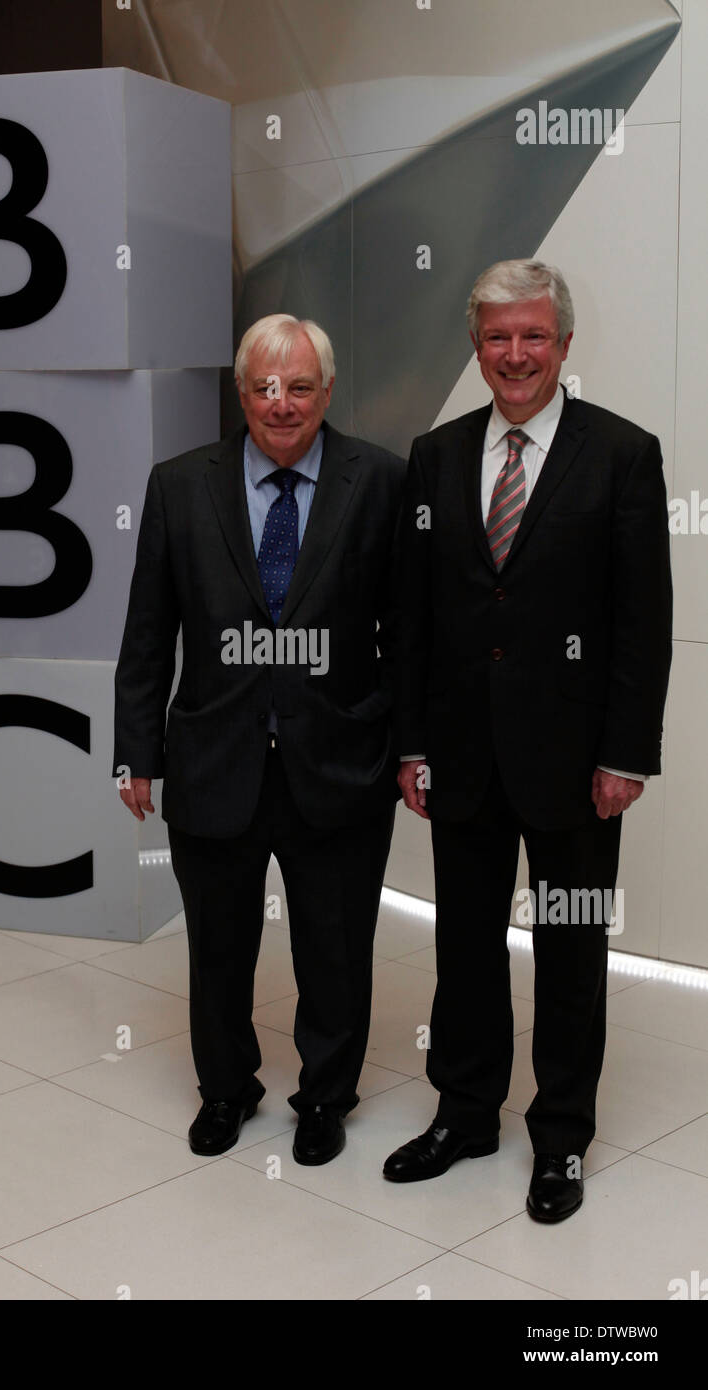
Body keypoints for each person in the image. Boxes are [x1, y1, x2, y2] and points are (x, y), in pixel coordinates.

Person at [386, 260, 672, 1221]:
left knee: (572, 948)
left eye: (533, 336)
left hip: (578, 767)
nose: (516, 354)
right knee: (463, 948)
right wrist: (411, 742)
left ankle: (561, 1140)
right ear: (476, 346)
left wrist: (626, 755)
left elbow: (643, 623)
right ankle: (465, 1114)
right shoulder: (434, 457)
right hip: (460, 758)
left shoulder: (624, 456)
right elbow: (413, 617)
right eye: (498, 337)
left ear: (563, 345)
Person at [113, 314, 405, 1164]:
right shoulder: (178, 485)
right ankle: (226, 1089)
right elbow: (146, 632)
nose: (283, 405)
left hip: (341, 765)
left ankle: (325, 1096)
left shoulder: (380, 482)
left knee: (336, 948)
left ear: (326, 391)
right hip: (214, 763)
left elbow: (410, 632)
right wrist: (137, 750)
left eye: (301, 387)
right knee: (219, 949)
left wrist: (401, 741)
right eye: (266, 388)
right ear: (242, 393)